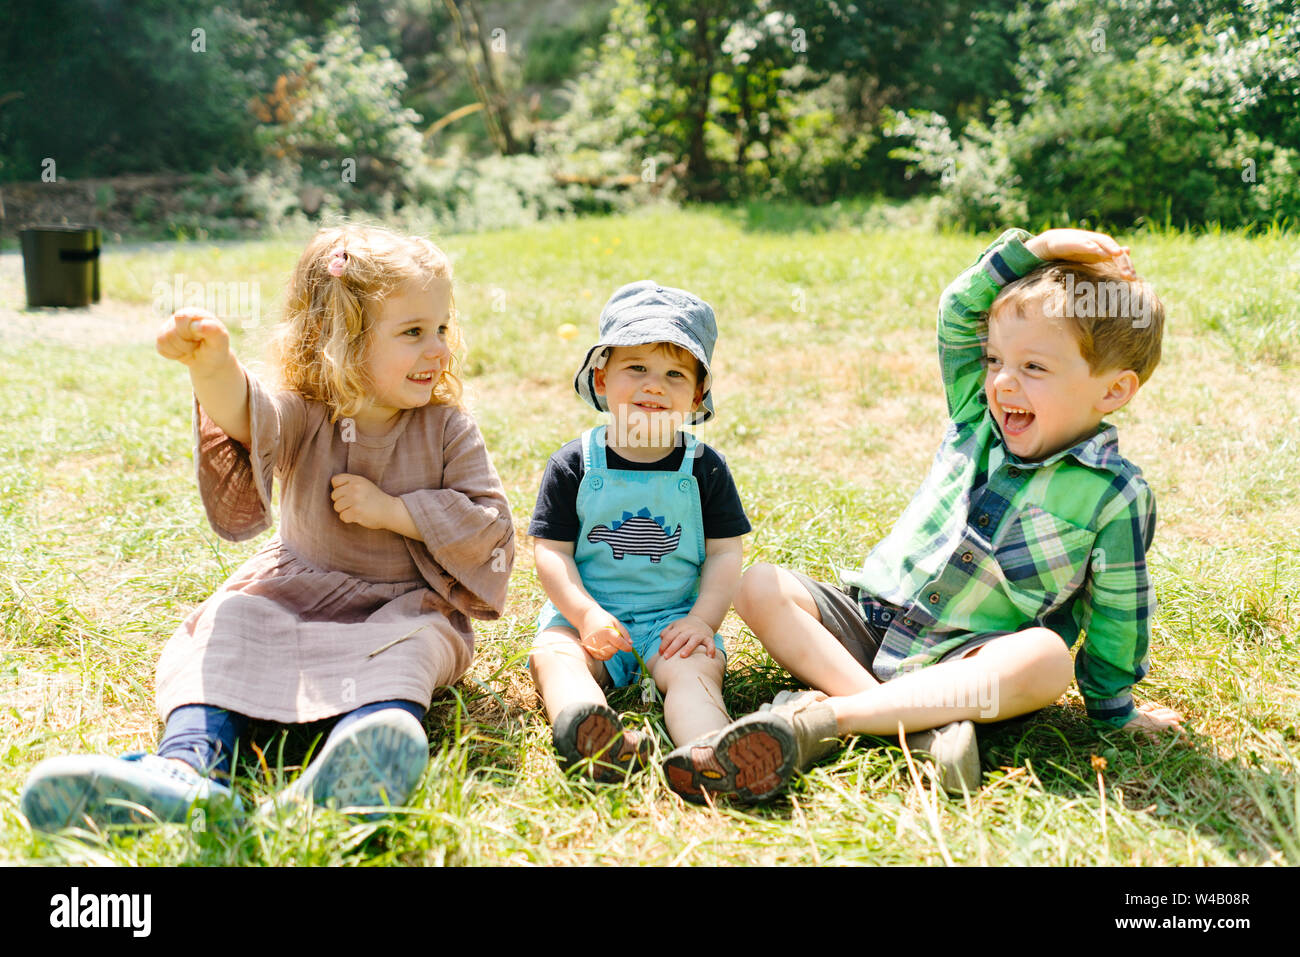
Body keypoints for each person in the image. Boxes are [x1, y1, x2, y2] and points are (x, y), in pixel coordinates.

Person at [20, 225, 515, 830]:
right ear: (343, 339)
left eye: (441, 328)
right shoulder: (307, 413)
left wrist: (395, 511)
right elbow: (248, 415)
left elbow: (486, 519)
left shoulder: (447, 429)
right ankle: (188, 771)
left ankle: (353, 767)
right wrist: (213, 367)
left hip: (402, 607)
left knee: (408, 654)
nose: (437, 349)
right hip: (294, 593)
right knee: (225, 629)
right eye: (412, 332)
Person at [695, 227, 1184, 802]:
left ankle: (834, 719)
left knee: (1047, 659)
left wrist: (1114, 709)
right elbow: (958, 310)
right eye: (995, 359)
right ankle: (917, 731)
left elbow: (1117, 609)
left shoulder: (1112, 494)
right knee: (760, 584)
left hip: (967, 660)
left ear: (1113, 391)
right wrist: (1037, 249)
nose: (1003, 381)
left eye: (1034, 367)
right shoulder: (977, 416)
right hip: (871, 623)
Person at [527, 280, 760, 801]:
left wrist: (701, 621)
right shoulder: (574, 463)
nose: (654, 385)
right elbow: (552, 553)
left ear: (696, 395)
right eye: (638, 368)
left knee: (695, 670)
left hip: (672, 618)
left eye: (674, 374)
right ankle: (590, 733)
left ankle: (708, 750)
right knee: (555, 656)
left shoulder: (703, 467)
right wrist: (585, 615)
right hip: (587, 612)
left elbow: (725, 553)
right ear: (603, 378)